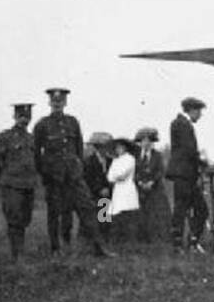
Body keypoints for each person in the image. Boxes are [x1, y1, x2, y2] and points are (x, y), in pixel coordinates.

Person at [32, 88, 111, 257]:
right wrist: (45, 174)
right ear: (50, 103)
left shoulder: (73, 122)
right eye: (54, 102)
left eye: (60, 102)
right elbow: (36, 154)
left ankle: (99, 247)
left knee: (88, 209)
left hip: (74, 176)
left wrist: (78, 169)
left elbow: (79, 149)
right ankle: (56, 249)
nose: (57, 104)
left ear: (65, 103)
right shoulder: (42, 125)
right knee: (55, 213)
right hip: (54, 177)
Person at [0, 104, 38, 259]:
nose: (24, 120)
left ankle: (19, 251)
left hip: (28, 185)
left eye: (27, 117)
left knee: (25, 218)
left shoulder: (32, 138)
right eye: (21, 116)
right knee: (14, 219)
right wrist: (3, 179)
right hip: (11, 185)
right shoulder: (4, 137)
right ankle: (17, 255)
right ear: (15, 117)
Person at [166, 97, 208, 253]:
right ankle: (190, 243)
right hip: (185, 174)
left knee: (182, 208)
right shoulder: (183, 125)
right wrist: (203, 164)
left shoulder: (180, 123)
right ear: (192, 110)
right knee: (198, 209)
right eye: (199, 112)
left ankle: (182, 244)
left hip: (183, 174)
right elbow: (189, 150)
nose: (200, 115)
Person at [133, 127, 170, 243]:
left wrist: (152, 182)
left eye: (149, 140)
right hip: (138, 189)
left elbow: (161, 171)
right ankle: (141, 238)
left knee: (155, 213)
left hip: (155, 189)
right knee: (139, 214)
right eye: (144, 140)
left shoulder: (157, 156)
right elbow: (133, 171)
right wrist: (139, 182)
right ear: (140, 142)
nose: (146, 143)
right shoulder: (135, 156)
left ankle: (156, 238)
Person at [106, 136, 140, 243]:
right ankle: (116, 240)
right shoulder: (115, 161)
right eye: (117, 148)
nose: (118, 149)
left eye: (120, 147)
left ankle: (130, 241)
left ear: (125, 148)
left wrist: (117, 176)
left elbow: (123, 175)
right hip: (118, 190)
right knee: (116, 215)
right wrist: (116, 177)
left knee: (128, 215)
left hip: (128, 189)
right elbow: (110, 177)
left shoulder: (130, 159)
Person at [83, 132, 114, 238]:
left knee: (105, 218)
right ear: (98, 148)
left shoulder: (111, 161)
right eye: (104, 147)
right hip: (93, 195)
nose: (107, 150)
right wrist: (99, 189)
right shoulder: (89, 162)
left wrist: (109, 188)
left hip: (108, 195)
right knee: (93, 218)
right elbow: (88, 179)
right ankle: (92, 238)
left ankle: (105, 238)